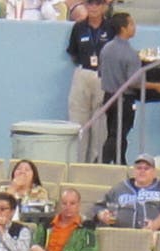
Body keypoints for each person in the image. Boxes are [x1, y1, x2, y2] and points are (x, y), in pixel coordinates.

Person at [99, 12, 160, 165]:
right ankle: (100, 162)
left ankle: (120, 163)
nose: (134, 27)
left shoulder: (106, 49)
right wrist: (156, 86)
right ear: (123, 28)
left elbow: (101, 72)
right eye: (131, 24)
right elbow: (133, 82)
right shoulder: (130, 54)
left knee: (116, 133)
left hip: (108, 97)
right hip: (124, 100)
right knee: (117, 135)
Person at [66, 0, 115, 162]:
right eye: (90, 3)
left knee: (100, 124)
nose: (94, 7)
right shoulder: (79, 27)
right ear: (85, 5)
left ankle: (96, 164)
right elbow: (73, 52)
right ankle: (77, 163)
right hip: (83, 73)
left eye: (98, 3)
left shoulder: (111, 28)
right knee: (78, 122)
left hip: (103, 75)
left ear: (104, 6)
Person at [25, 188, 98, 251]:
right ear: (59, 205)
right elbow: (35, 244)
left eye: (72, 203)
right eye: (64, 203)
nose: (68, 207)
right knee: (34, 249)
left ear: (79, 205)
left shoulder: (87, 227)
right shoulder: (46, 223)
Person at [92, 154, 160, 231]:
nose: (142, 171)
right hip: (121, 235)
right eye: (139, 168)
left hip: (152, 236)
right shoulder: (119, 188)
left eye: (146, 168)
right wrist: (103, 215)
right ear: (134, 171)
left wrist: (154, 226)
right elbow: (98, 207)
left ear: (154, 172)